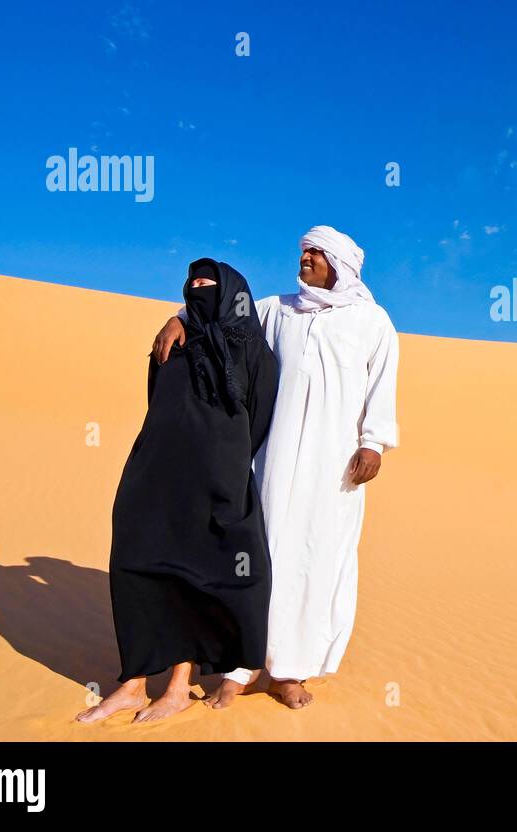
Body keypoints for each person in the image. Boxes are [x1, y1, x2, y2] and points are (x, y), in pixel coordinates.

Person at [152, 226, 399, 710]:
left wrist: (374, 444)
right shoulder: (276, 309)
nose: (305, 258)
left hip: (335, 469)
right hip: (272, 456)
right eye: (304, 251)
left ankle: (289, 672)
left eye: (316, 253)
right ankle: (240, 668)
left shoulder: (372, 322)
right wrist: (180, 317)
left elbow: (382, 387)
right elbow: (223, 310)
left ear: (339, 264)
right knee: (261, 556)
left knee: (314, 560)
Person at [76, 259, 279, 723]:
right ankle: (131, 683)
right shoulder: (171, 340)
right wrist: (179, 319)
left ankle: (177, 687)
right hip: (154, 469)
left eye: (208, 285)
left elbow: (258, 418)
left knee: (197, 573)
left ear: (232, 294)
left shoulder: (254, 353)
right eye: (191, 285)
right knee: (135, 564)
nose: (196, 289)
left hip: (216, 478)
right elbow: (158, 401)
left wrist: (225, 462)